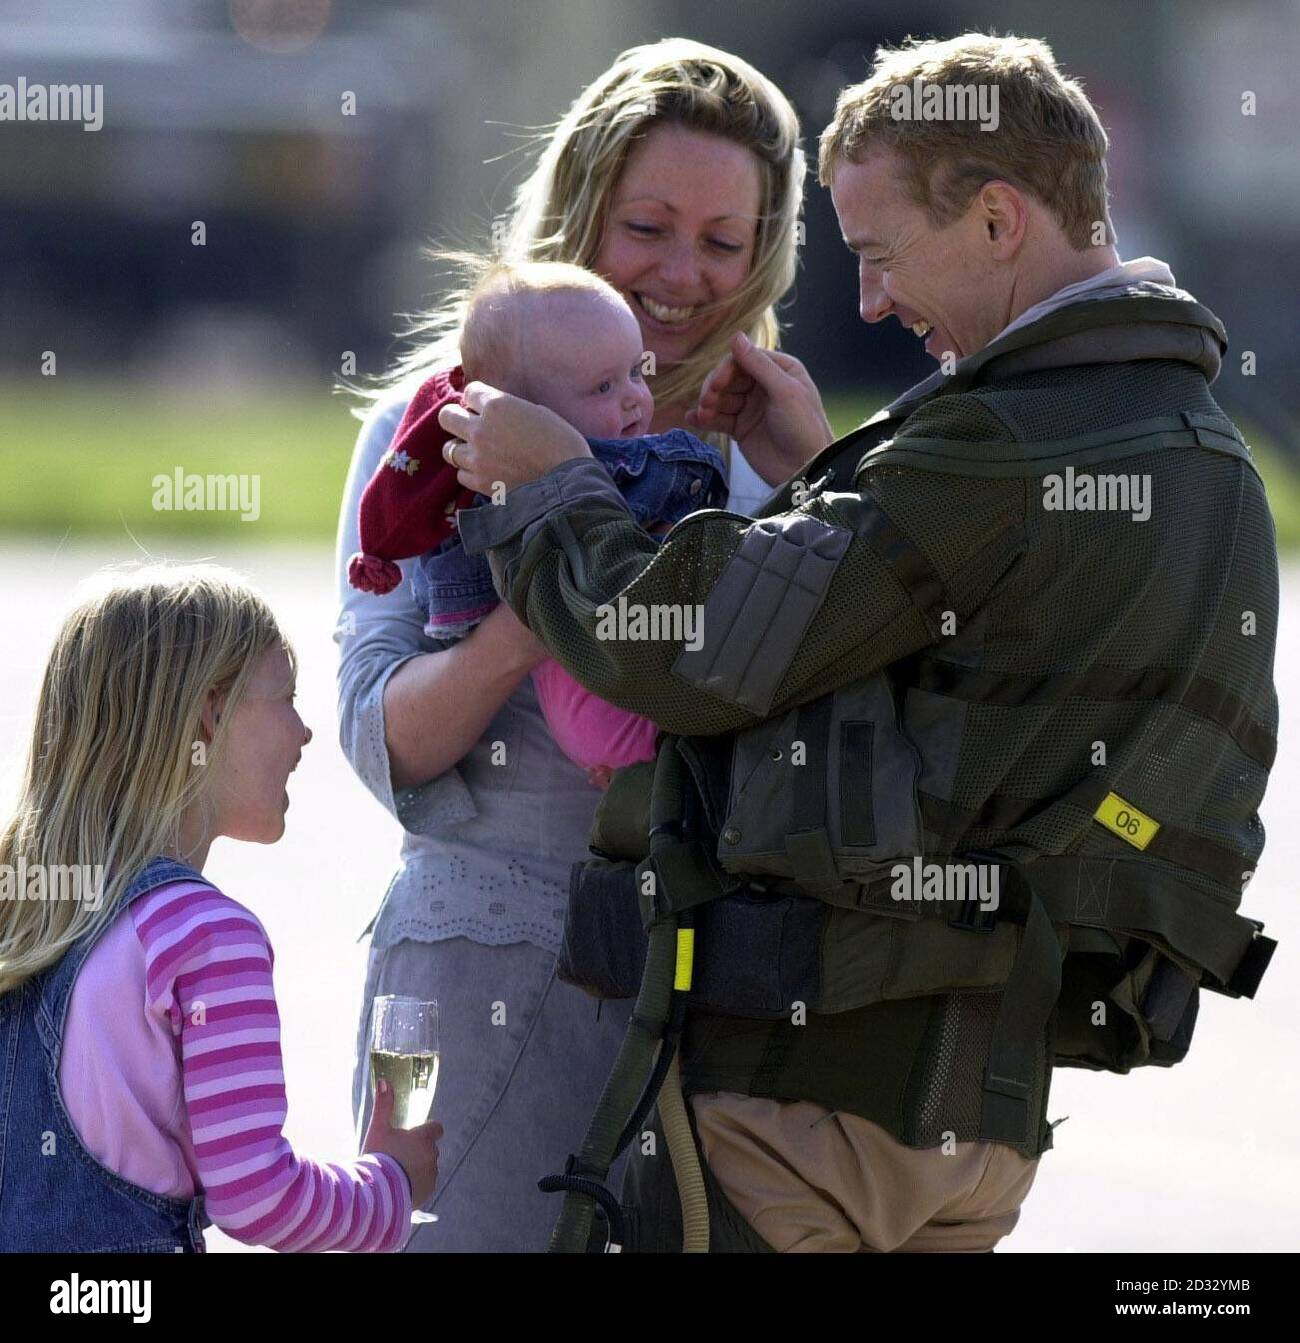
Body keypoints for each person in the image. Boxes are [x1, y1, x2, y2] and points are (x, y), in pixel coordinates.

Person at [440, 32, 1279, 1253]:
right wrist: (815, 476)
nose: (873, 299)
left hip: (804, 1114)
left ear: (998, 219)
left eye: (880, 255)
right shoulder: (1215, 468)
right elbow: (973, 680)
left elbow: (679, 644)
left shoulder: (1000, 446)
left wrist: (556, 490)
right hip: (981, 1135)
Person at [335, 38, 830, 1251]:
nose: (683, 275)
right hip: (459, 977)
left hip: (699, 1002)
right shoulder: (443, 422)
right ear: (578, 208)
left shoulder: (760, 446)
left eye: (725, 242)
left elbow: (833, 720)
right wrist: (536, 605)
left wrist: (822, 479)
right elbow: (376, 737)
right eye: (646, 225)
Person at [0, 564, 440, 1252]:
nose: (305, 734)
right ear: (209, 713)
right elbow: (258, 1196)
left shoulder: (26, 917)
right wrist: (390, 1183)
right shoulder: (206, 935)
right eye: (287, 698)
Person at [345, 259, 728, 788]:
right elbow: (374, 734)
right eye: (601, 387)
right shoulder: (607, 468)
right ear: (516, 416)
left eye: (637, 372)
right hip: (614, 706)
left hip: (619, 714)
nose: (635, 396)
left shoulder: (746, 415)